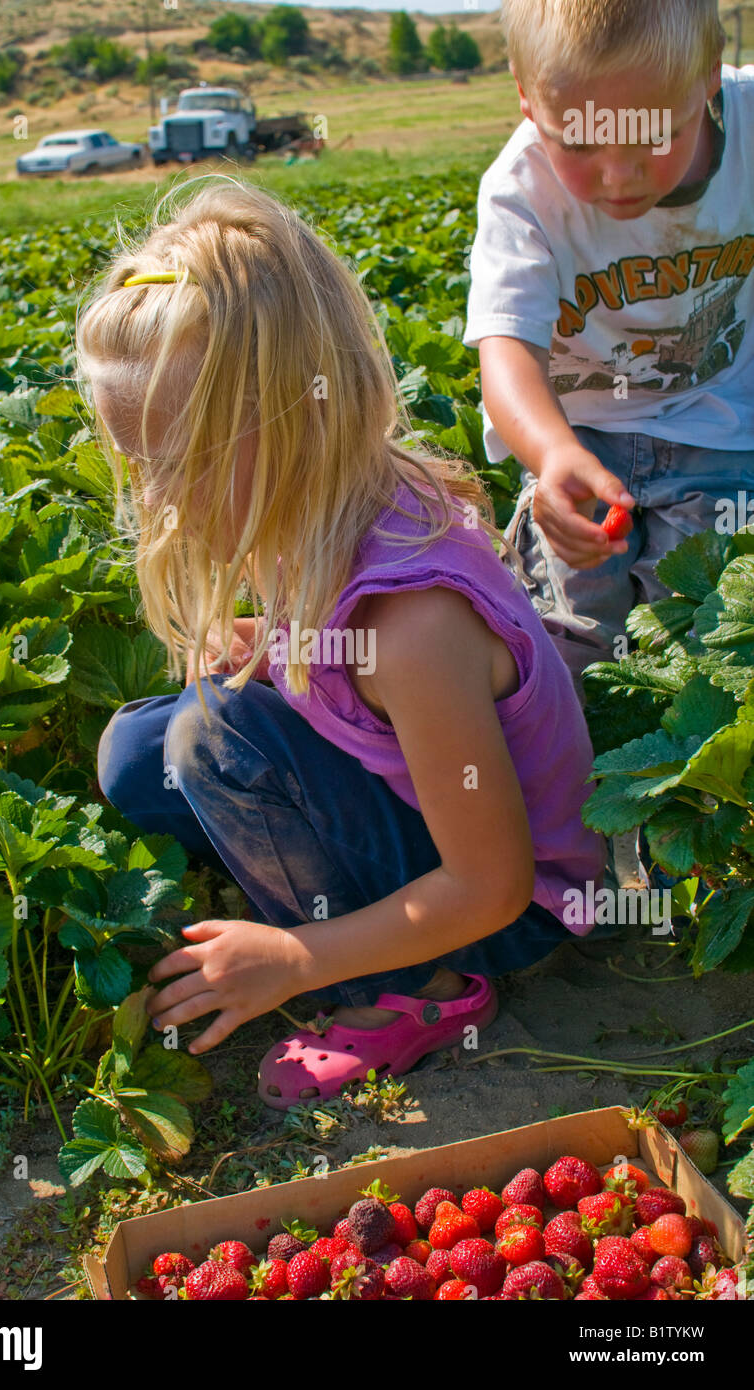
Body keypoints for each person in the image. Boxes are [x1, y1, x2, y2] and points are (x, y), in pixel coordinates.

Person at [76, 176, 606, 1111]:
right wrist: (272, 643)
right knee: (136, 755)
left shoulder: (411, 631)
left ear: (297, 420)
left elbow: (491, 882)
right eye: (136, 464)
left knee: (216, 742)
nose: (154, 500)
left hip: (502, 908)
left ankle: (422, 991)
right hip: (420, 802)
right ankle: (326, 901)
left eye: (176, 464)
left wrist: (293, 956)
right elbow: (341, 672)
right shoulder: (328, 502)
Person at [464, 0, 754, 698]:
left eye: (652, 138)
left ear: (707, 77)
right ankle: (574, 779)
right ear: (527, 99)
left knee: (703, 640)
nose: (618, 176)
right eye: (581, 143)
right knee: (577, 646)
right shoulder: (520, 192)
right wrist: (549, 454)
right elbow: (505, 348)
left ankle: (692, 789)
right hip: (579, 446)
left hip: (719, 433)